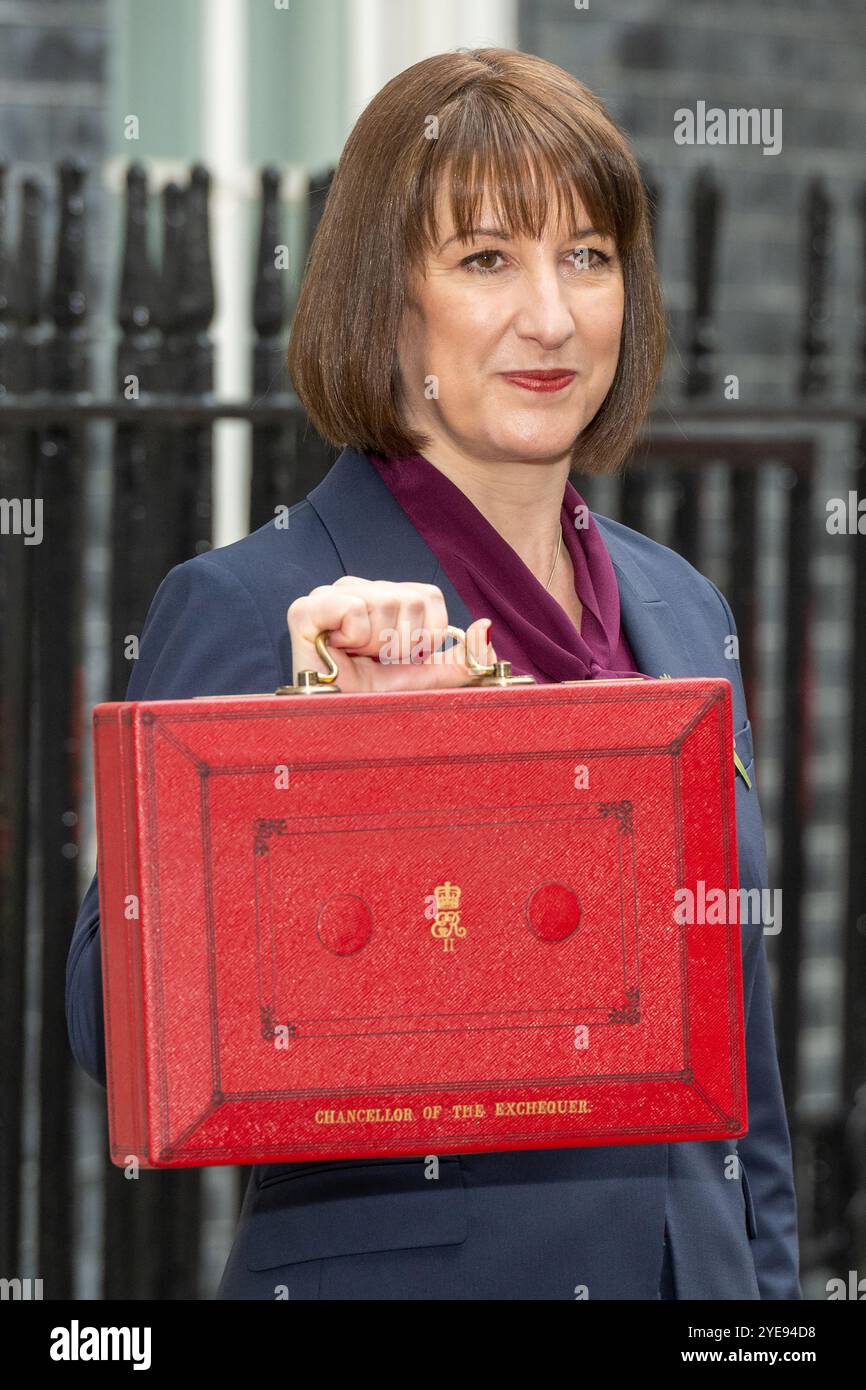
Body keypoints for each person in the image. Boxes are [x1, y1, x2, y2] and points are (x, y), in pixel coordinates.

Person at [66, 47, 801, 1300]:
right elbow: (112, 1031)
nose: (552, 316)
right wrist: (323, 748)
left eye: (585, 254)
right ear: (385, 301)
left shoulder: (683, 605)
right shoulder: (262, 603)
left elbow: (743, 1075)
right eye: (484, 260)